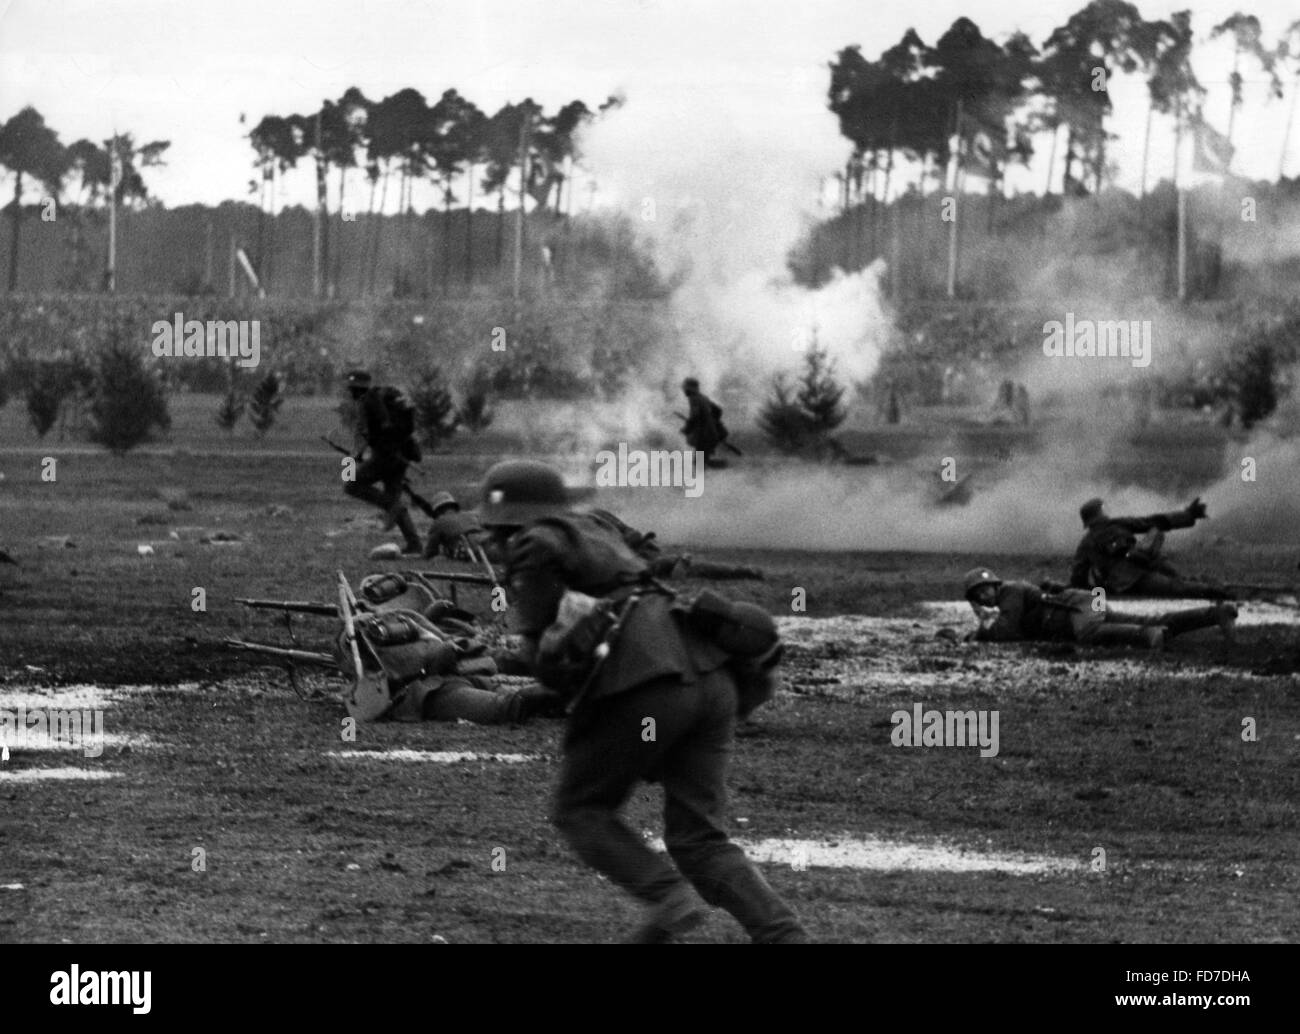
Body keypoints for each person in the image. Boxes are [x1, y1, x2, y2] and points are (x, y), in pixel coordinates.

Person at [478, 459, 807, 944]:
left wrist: (493, 656)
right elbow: (652, 563)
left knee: (581, 809)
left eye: (491, 531)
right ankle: (783, 936)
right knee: (699, 840)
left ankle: (669, 900)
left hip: (644, 679)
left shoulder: (535, 542)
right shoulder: (600, 525)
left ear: (505, 523)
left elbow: (539, 652)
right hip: (709, 673)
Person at [961, 568, 1236, 648]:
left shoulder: (1010, 591)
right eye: (978, 595)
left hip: (1080, 607)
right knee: (1156, 618)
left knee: (1088, 633)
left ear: (995, 585)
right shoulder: (1008, 596)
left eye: (985, 589)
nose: (984, 596)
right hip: (1083, 605)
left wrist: (981, 633)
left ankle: (1148, 636)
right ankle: (1215, 614)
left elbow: (1009, 631)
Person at [1068, 497, 1230, 599]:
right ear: (1100, 513)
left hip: (1126, 580)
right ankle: (1215, 591)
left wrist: (1095, 590)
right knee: (1177, 586)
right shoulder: (1117, 525)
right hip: (1138, 573)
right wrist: (1188, 515)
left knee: (1177, 584)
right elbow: (1153, 522)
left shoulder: (1086, 543)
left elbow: (1078, 577)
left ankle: (1208, 587)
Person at [342, 370, 423, 556]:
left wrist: (357, 455)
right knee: (393, 499)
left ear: (357, 388)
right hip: (402, 456)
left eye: (352, 389)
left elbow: (366, 433)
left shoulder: (367, 402)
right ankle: (415, 544)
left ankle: (395, 509)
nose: (351, 393)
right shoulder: (384, 397)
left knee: (352, 485)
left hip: (385, 456)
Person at [587, 508, 764, 580]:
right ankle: (744, 572)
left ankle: (744, 572)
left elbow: (628, 536)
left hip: (637, 553)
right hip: (636, 557)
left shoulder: (593, 517)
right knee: (697, 568)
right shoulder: (590, 519)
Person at [422, 492, 491, 562]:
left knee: (438, 559)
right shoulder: (469, 515)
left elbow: (430, 552)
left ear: (438, 510)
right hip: (488, 543)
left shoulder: (438, 522)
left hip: (471, 551)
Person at [680, 378, 728, 467]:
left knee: (699, 464)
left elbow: (695, 416)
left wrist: (686, 429)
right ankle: (725, 466)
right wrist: (713, 422)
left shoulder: (694, 398)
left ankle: (726, 466)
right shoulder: (703, 397)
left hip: (703, 436)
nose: (684, 390)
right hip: (710, 435)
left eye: (685, 388)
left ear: (691, 388)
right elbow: (718, 410)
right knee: (701, 462)